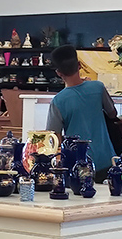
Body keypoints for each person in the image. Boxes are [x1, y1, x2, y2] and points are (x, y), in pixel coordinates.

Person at [47, 45, 117, 180]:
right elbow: (112, 113)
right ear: (79, 65)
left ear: (59, 73)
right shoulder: (98, 87)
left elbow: (53, 138)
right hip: (107, 160)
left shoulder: (58, 101)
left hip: (78, 165)